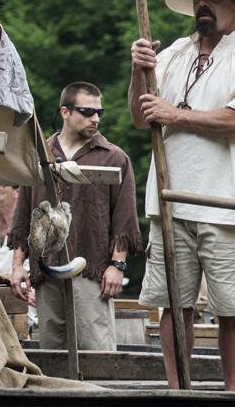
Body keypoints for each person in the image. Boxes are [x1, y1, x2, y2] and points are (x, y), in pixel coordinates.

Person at [128, 0, 235, 391]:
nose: (204, 4)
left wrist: (175, 114)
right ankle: (179, 391)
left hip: (228, 202)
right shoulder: (173, 53)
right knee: (173, 306)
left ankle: (232, 395)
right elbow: (142, 118)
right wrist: (139, 71)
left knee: (233, 306)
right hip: (170, 200)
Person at [8, 82, 140, 351]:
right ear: (65, 112)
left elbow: (124, 220)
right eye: (87, 111)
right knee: (52, 354)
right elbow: (23, 214)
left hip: (90, 269)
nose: (96, 118)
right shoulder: (39, 154)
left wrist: (118, 266)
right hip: (45, 269)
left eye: (98, 112)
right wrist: (18, 265)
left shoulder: (114, 158)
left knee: (96, 352)